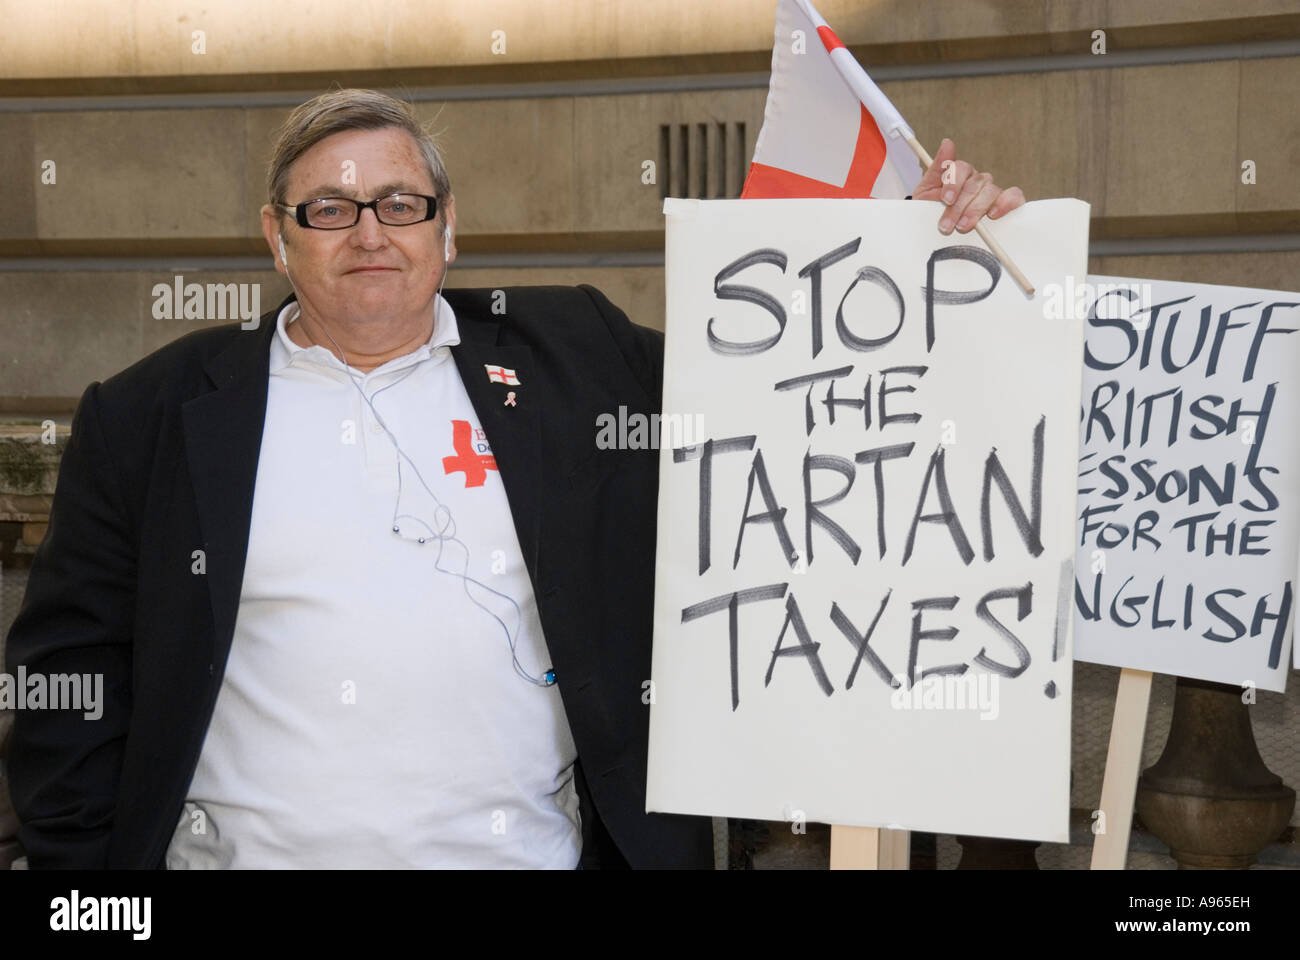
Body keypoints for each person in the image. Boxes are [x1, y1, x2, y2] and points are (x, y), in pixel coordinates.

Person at [4, 88, 1024, 869]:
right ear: (276, 237)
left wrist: (916, 242)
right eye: (329, 209)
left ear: (448, 227)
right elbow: (69, 680)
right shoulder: (152, 415)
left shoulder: (575, 353)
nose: (370, 232)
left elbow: (798, 390)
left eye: (400, 203)